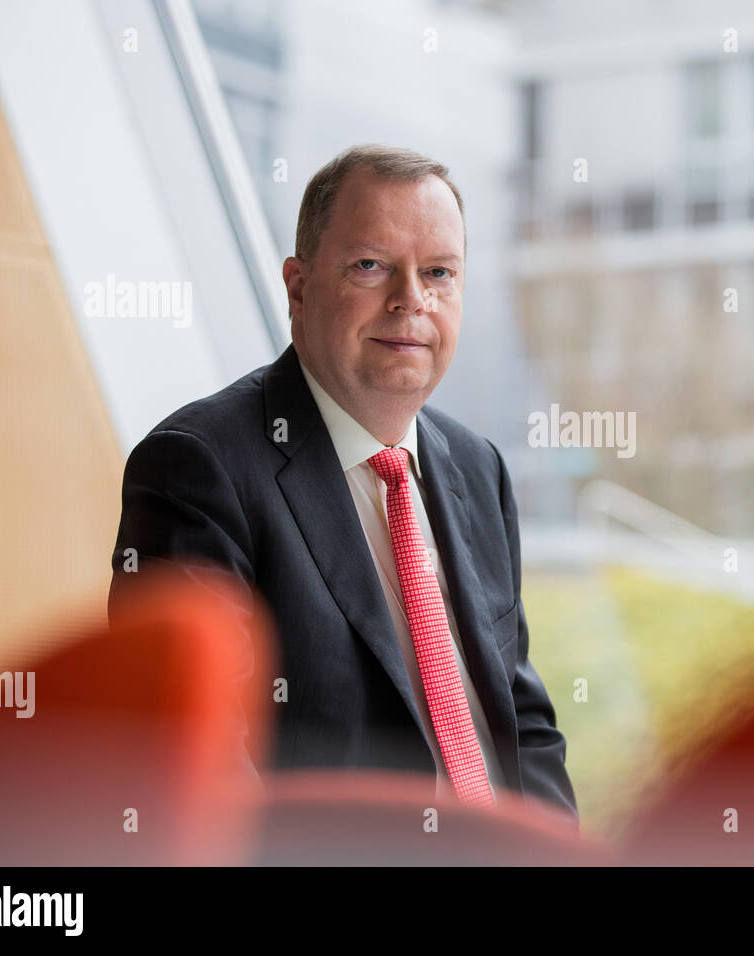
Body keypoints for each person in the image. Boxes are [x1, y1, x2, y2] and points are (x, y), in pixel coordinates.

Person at [108, 144, 577, 827]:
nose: (411, 300)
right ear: (298, 286)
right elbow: (195, 764)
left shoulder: (480, 469)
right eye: (371, 266)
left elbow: (524, 724)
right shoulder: (198, 470)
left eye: (439, 273)